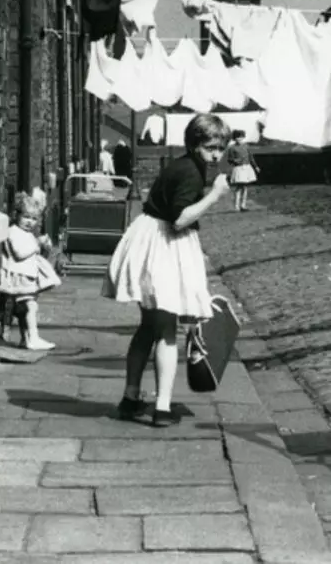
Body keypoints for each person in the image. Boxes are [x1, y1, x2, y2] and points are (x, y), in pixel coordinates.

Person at [102, 113, 231, 427]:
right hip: (163, 245)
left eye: (220, 148)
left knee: (148, 327)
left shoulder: (185, 165)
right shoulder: (190, 171)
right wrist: (214, 195)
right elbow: (180, 218)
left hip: (152, 240)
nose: (216, 154)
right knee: (166, 330)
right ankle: (161, 408)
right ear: (193, 144)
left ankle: (131, 398)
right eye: (209, 147)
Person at [0, 192, 62, 350]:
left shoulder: (26, 233)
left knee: (25, 309)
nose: (30, 222)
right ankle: (33, 337)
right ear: (16, 215)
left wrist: (42, 246)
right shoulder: (13, 231)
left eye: (34, 219)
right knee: (31, 307)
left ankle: (26, 338)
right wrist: (36, 244)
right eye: (26, 217)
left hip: (26, 275)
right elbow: (20, 253)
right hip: (20, 277)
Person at [223, 129, 260, 211]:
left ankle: (243, 205)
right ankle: (236, 206)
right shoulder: (232, 148)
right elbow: (229, 159)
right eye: (237, 137)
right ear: (234, 138)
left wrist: (256, 166)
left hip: (247, 167)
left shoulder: (246, 146)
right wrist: (235, 161)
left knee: (245, 187)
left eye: (241, 137)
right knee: (239, 187)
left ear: (243, 138)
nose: (239, 139)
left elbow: (251, 157)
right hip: (238, 168)